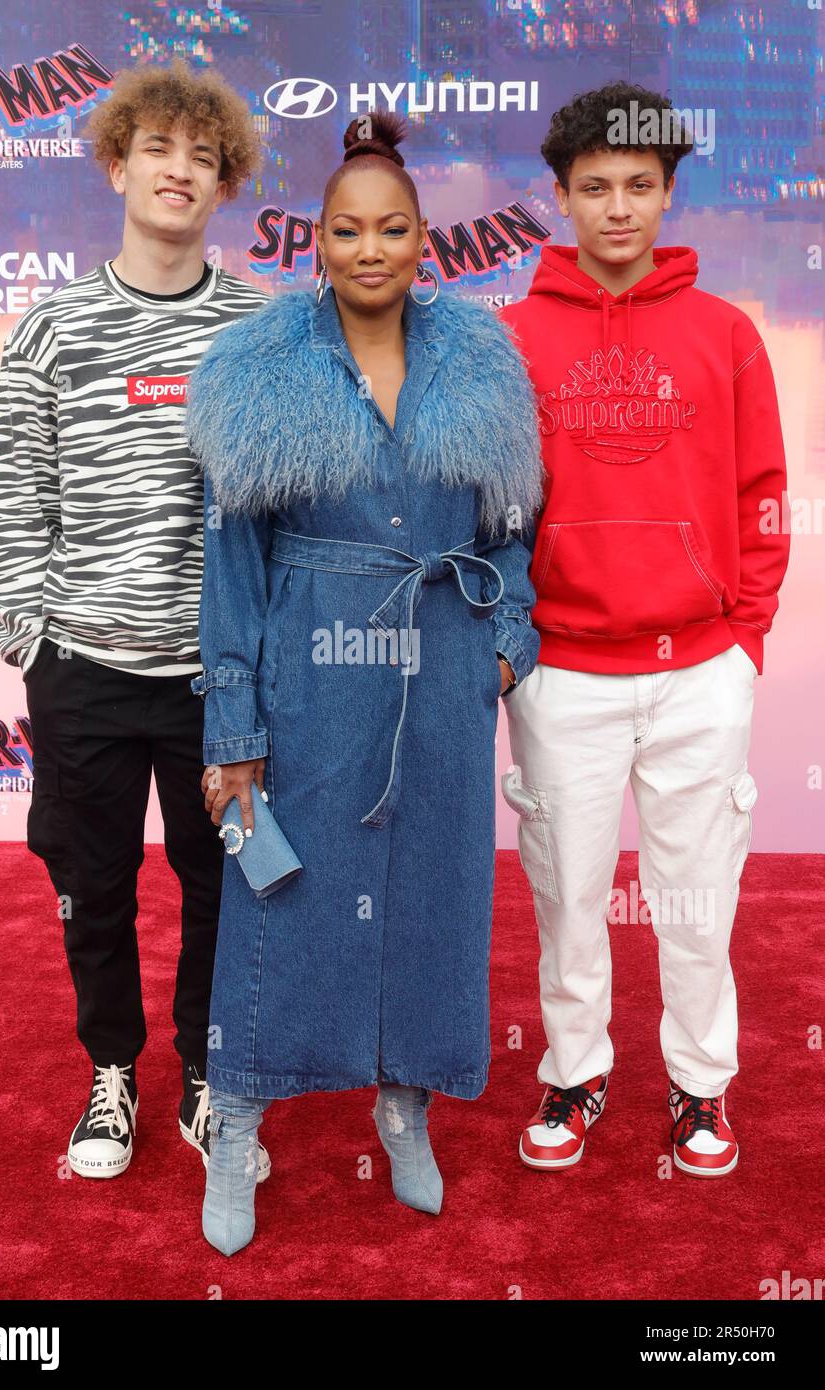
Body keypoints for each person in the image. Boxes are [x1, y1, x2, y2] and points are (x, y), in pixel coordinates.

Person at [184, 111, 543, 1254]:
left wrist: (504, 644)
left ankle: (403, 1105)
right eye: (348, 230)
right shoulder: (258, 367)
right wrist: (232, 729)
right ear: (317, 241)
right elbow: (232, 566)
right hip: (308, 685)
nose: (370, 249)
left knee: (432, 900)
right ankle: (236, 1122)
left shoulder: (481, 361)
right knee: (276, 899)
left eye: (392, 228)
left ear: (424, 240)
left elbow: (512, 527)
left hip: (440, 679)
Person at [0, 59, 272, 1182]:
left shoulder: (259, 328)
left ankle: (206, 1069)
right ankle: (112, 1073)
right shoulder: (52, 327)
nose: (179, 171)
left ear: (224, 182)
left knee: (221, 889)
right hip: (86, 670)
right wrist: (31, 639)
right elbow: (19, 499)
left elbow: (287, 503)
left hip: (221, 680)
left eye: (203, 157)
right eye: (159, 149)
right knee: (92, 885)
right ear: (116, 163)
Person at [498, 82, 790, 1176]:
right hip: (561, 671)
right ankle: (573, 1074)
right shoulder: (511, 338)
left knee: (693, 895)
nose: (616, 208)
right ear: (561, 196)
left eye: (636, 186)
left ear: (666, 193)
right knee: (566, 890)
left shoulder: (724, 335)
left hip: (697, 669)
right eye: (593, 188)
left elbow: (762, 494)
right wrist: (512, 647)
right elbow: (487, 506)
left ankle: (698, 1091)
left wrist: (744, 638)